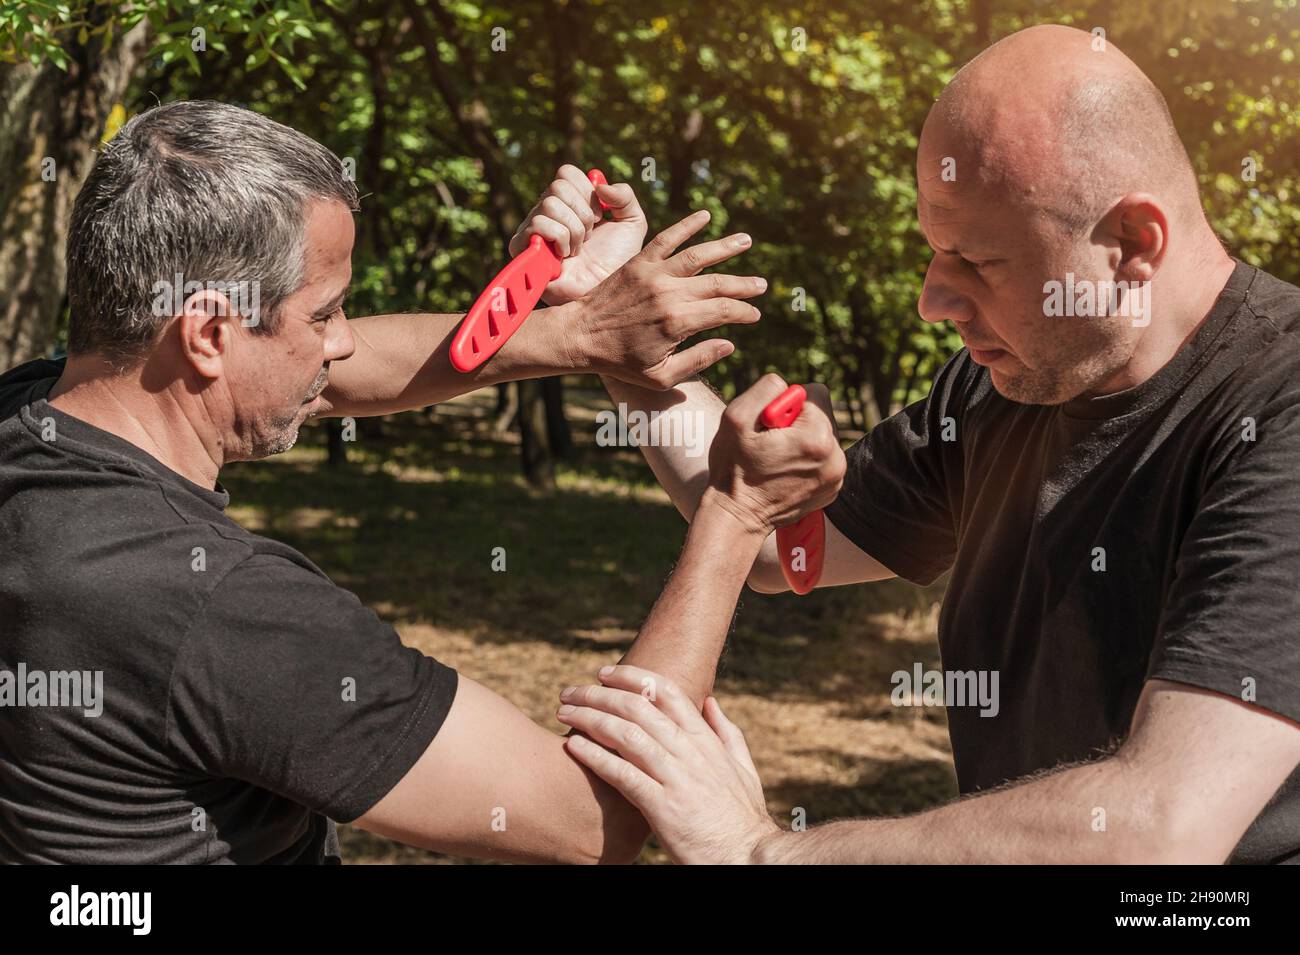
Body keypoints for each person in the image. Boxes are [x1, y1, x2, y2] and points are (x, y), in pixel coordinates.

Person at [0, 99, 844, 863]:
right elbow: (595, 819)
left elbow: (331, 376)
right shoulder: (222, 612)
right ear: (210, 335)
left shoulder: (33, 421)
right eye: (326, 313)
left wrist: (580, 331)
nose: (342, 344)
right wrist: (735, 512)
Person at [572, 24, 1300, 863]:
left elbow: (1162, 827)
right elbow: (782, 543)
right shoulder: (1004, 383)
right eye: (931, 250)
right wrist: (609, 336)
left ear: (1135, 243)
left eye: (976, 260)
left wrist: (767, 852)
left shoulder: (1278, 407)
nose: (931, 300)